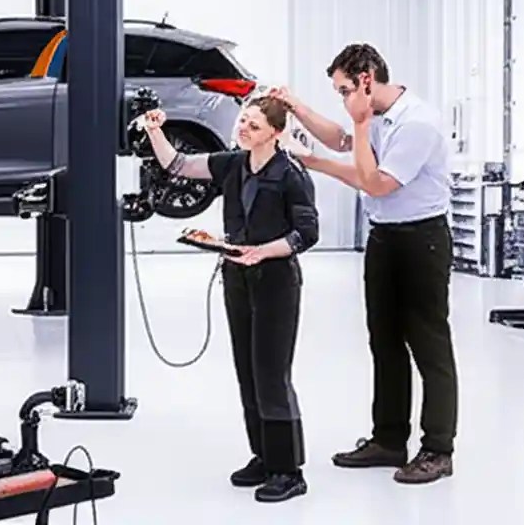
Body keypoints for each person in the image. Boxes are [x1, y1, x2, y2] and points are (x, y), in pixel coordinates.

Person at [271, 43, 458, 485]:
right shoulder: (371, 117)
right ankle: (390, 440)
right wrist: (296, 105)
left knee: (429, 345)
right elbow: (340, 137)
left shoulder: (418, 123)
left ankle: (438, 449)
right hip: (384, 239)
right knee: (384, 341)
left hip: (422, 241)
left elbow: (374, 183)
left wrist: (316, 161)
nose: (342, 98)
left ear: (367, 80)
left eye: (343, 90)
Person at [143, 96, 319, 503]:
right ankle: (263, 455)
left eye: (254, 126)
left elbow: (306, 234)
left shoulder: (291, 175)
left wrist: (263, 251)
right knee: (247, 371)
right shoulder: (232, 164)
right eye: (243, 121)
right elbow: (178, 165)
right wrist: (156, 131)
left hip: (276, 279)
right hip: (236, 276)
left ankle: (288, 470)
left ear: (276, 133)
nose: (244, 129)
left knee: (272, 374)